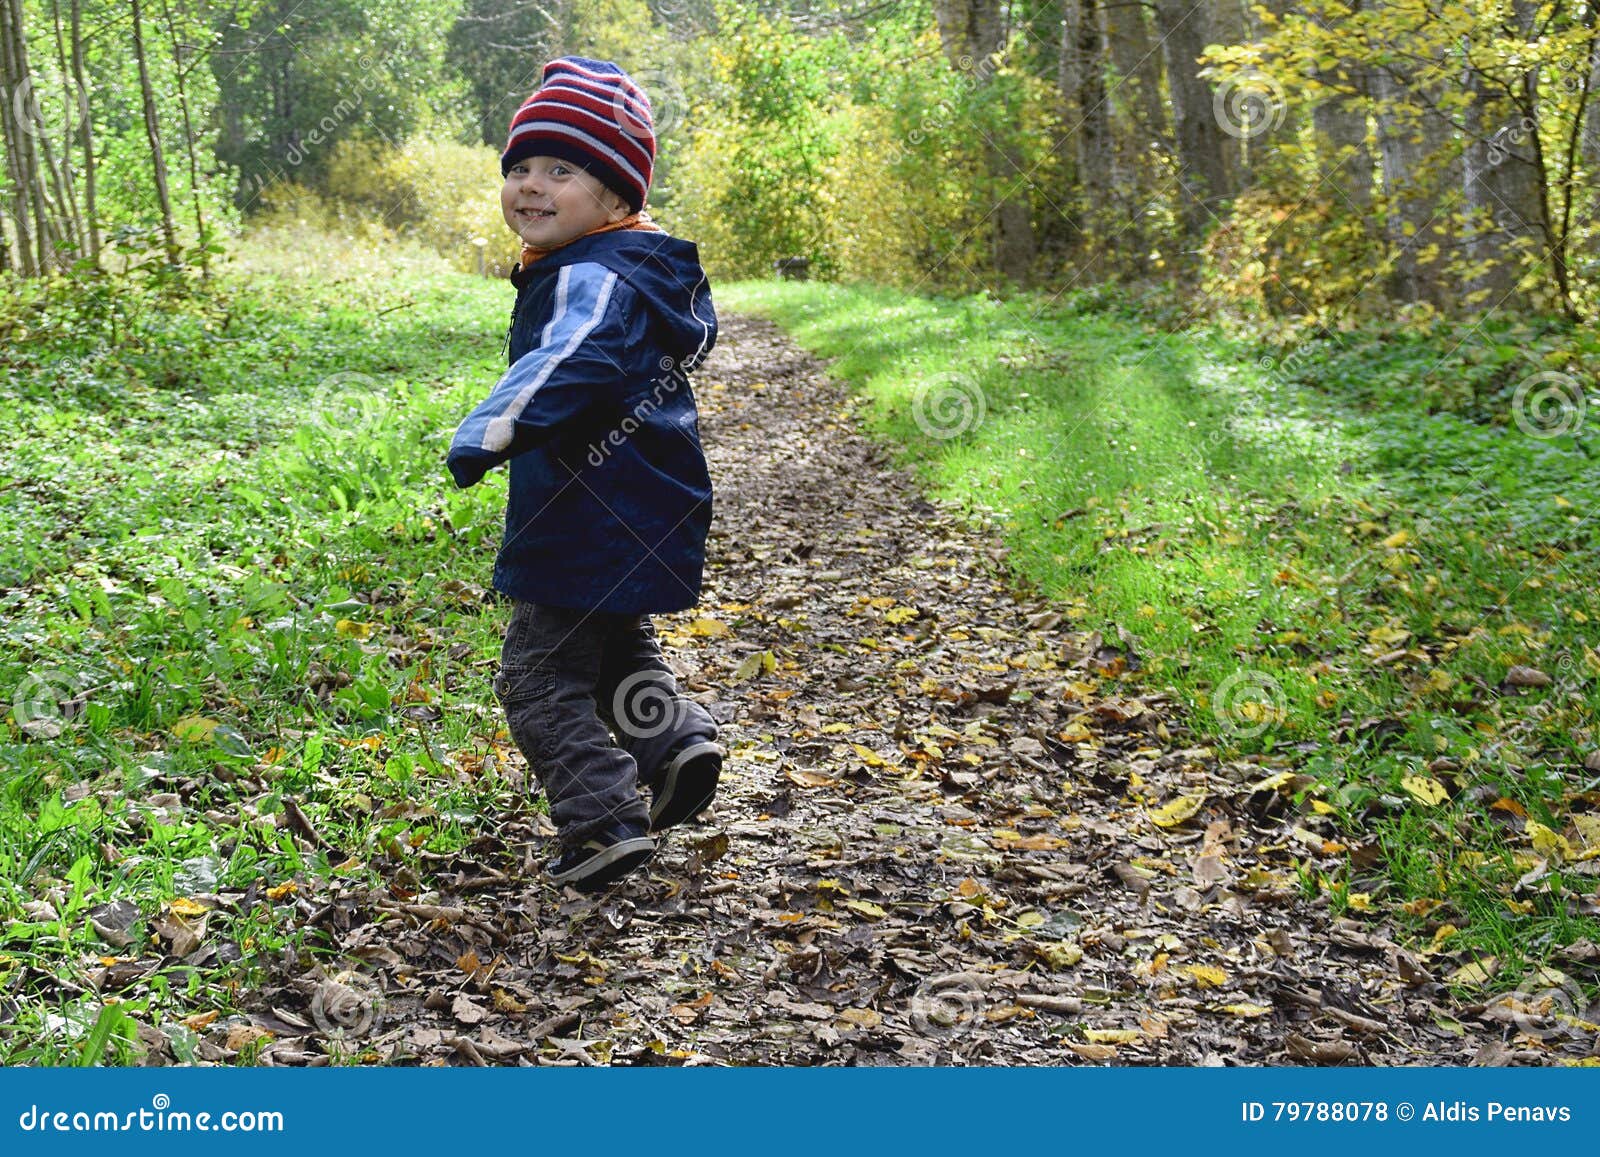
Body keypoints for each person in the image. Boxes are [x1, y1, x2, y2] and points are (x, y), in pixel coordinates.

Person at [447, 57, 722, 893]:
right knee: (611, 648)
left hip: (592, 510)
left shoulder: (593, 276)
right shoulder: (620, 263)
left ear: (616, 197)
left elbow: (576, 357)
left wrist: (489, 429)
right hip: (637, 505)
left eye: (562, 170)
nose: (532, 186)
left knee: (535, 676)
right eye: (520, 167)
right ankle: (674, 744)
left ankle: (600, 818)